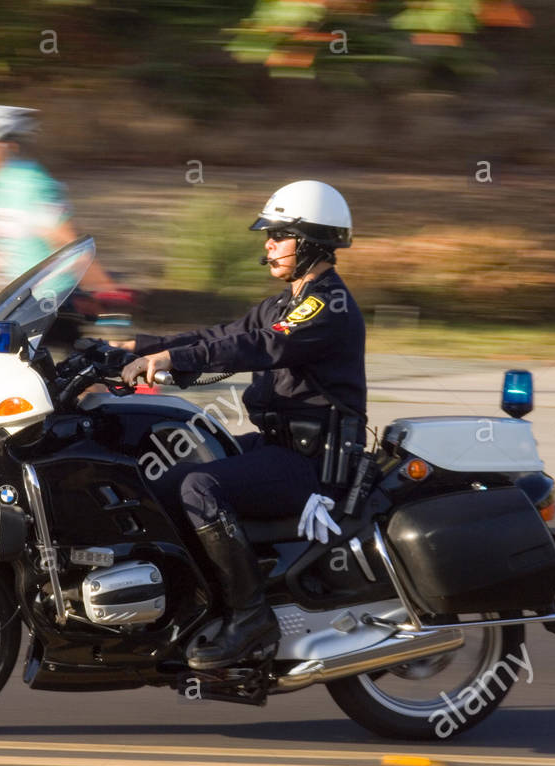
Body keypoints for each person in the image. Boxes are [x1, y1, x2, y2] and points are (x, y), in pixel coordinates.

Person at [115, 180, 366, 669]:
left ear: (311, 241)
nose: (268, 244)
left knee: (199, 486)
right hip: (277, 446)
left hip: (311, 463)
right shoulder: (282, 304)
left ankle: (250, 617)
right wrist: (139, 348)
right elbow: (220, 336)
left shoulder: (324, 305)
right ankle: (193, 605)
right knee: (164, 479)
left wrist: (169, 356)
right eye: (268, 236)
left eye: (278, 235)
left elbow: (261, 348)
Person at [0, 104, 120, 302]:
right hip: (21, 303)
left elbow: (69, 244)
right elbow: (4, 247)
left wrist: (107, 294)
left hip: (49, 303)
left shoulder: (29, 184)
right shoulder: (1, 183)